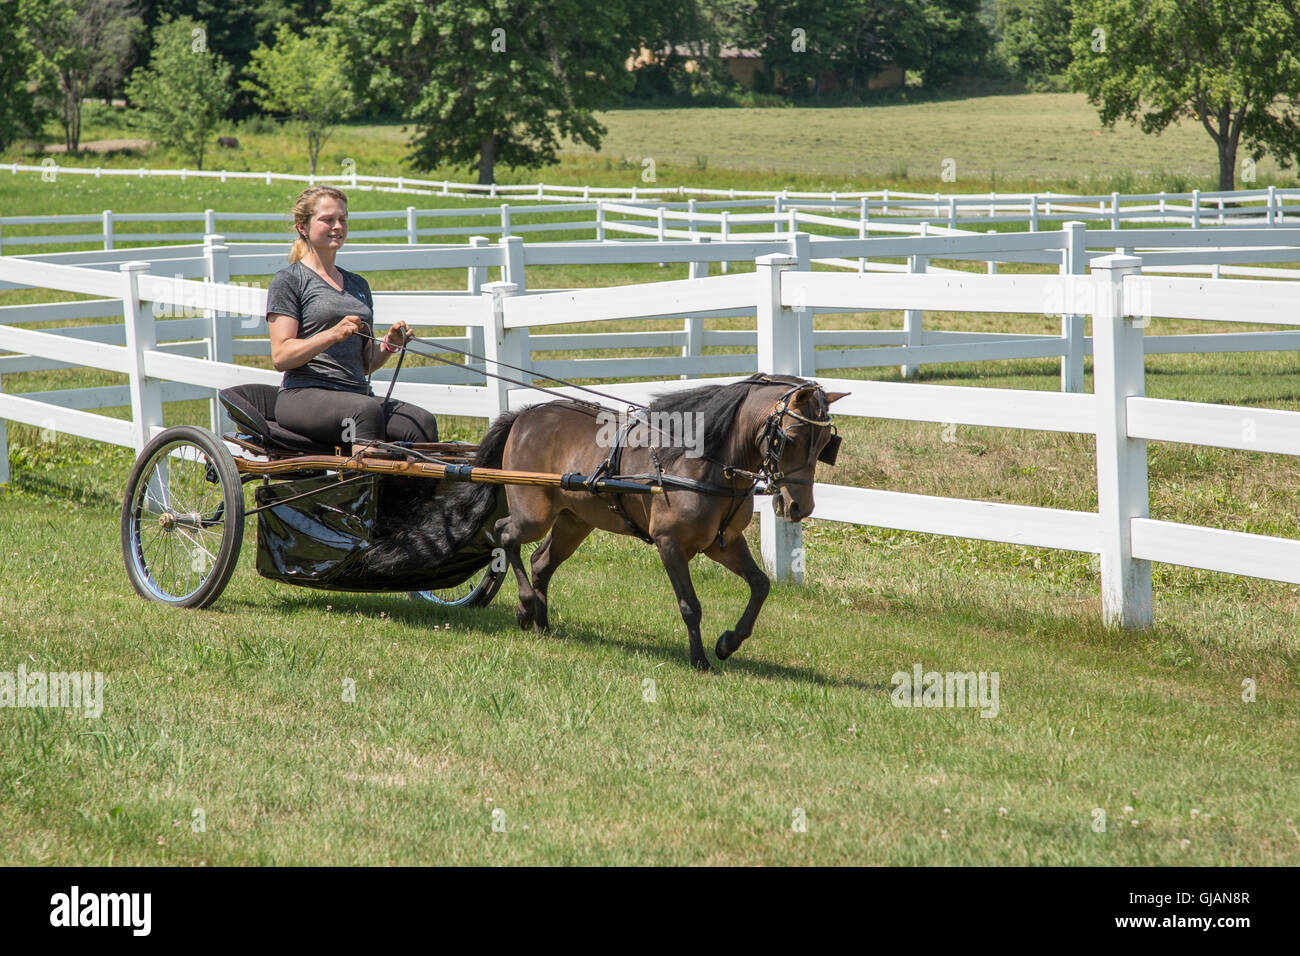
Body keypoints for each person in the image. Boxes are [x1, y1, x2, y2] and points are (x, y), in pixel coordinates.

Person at [266, 186, 438, 454]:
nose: (337, 226)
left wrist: (390, 344)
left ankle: (415, 495)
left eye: (343, 219)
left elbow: (365, 365)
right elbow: (281, 357)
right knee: (365, 410)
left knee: (421, 422)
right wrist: (332, 335)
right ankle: (363, 493)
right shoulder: (289, 281)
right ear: (302, 227)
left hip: (355, 394)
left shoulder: (358, 284)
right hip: (302, 395)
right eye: (327, 219)